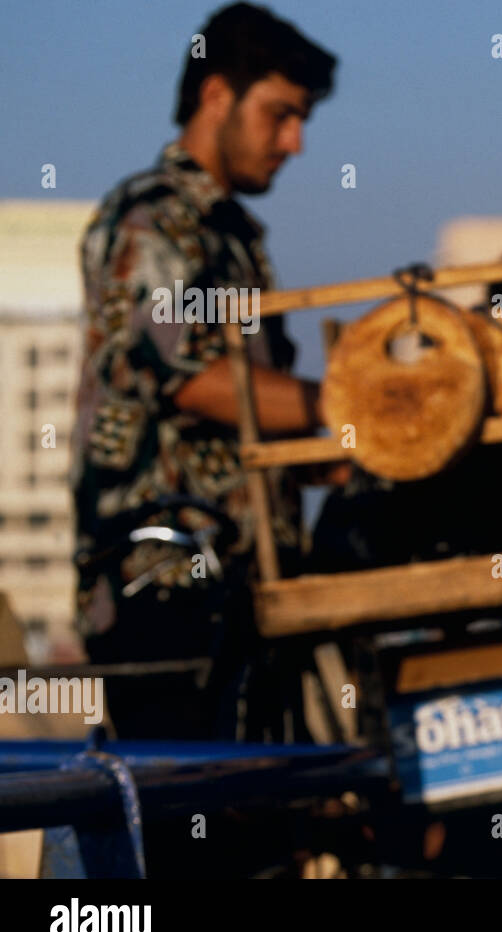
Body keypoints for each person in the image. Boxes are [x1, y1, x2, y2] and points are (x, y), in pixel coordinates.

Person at [72, 2, 338, 739]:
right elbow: (192, 376)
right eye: (282, 114)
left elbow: (257, 414)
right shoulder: (151, 219)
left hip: (246, 591)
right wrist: (349, 408)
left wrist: (335, 455)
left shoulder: (233, 237)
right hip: (164, 592)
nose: (296, 142)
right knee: (193, 830)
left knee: (256, 832)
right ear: (216, 94)